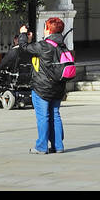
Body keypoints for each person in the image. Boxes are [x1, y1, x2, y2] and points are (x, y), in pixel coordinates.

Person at [18, 17, 70, 153]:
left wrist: (23, 34)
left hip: (42, 88)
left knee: (43, 116)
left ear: (48, 29)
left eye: (45, 27)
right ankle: (58, 146)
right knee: (55, 114)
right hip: (58, 87)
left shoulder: (44, 45)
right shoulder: (62, 45)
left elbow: (23, 48)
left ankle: (41, 146)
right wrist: (29, 41)